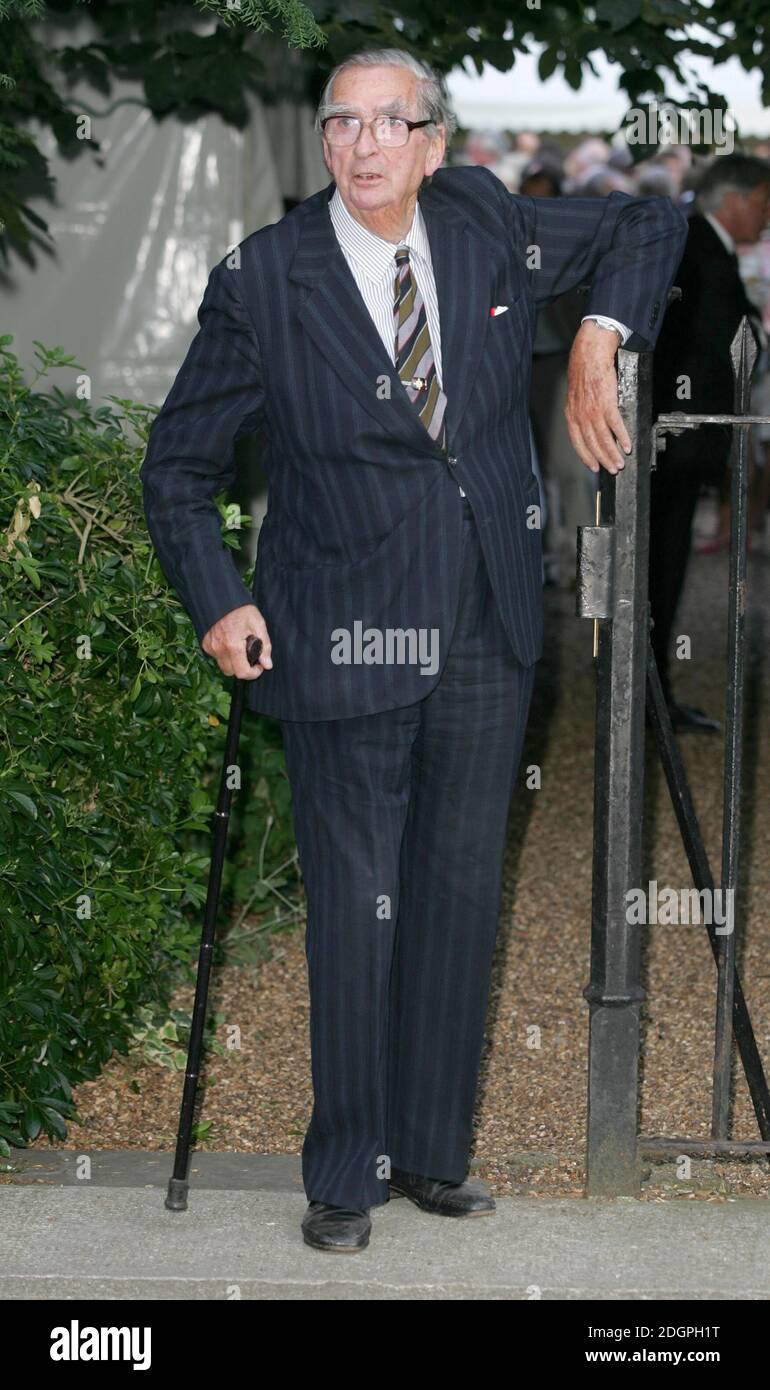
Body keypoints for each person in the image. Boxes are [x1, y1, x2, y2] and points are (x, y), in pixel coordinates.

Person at [140, 48, 688, 1253]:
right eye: (342, 122)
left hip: (488, 626)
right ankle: (345, 1172)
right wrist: (218, 600)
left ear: (435, 142)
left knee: (451, 895)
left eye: (392, 122)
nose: (365, 143)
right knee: (352, 907)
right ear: (323, 143)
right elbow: (175, 468)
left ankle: (433, 1151)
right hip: (336, 630)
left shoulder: (486, 220)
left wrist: (596, 339)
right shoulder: (264, 278)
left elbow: (651, 222)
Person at [649, 153, 770, 732]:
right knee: (660, 565)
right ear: (737, 198)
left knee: (665, 564)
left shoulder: (700, 243)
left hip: (682, 435)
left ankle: (651, 689)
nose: (767, 216)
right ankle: (648, 693)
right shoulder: (699, 247)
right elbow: (721, 339)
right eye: (764, 201)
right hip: (678, 437)